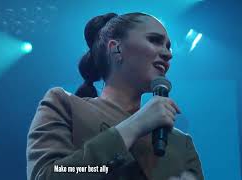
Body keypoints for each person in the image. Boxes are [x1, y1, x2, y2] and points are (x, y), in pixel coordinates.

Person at [27, 12, 204, 180]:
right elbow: (48, 176)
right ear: (116, 48)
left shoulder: (182, 143)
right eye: (155, 40)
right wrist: (135, 125)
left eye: (168, 46)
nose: (168, 54)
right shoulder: (65, 104)